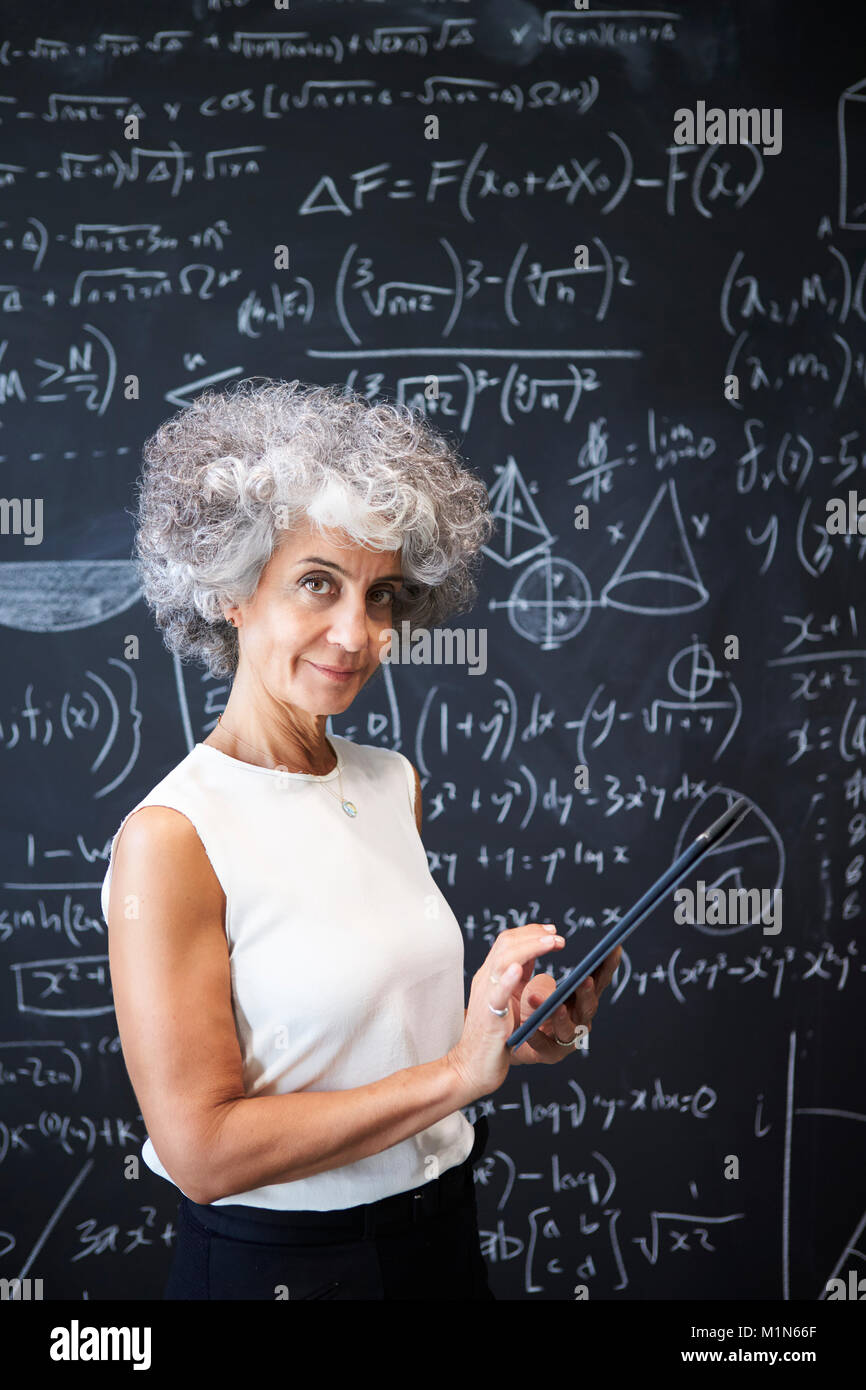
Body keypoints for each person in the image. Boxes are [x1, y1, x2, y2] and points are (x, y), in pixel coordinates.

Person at [102, 378, 621, 1301]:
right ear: (231, 589)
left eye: (381, 595)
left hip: (442, 1240)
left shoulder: (392, 783)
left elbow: (380, 1041)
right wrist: (459, 1075)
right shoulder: (171, 837)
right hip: (285, 1271)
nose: (357, 633)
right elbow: (205, 1152)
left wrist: (509, 1035)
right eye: (316, 584)